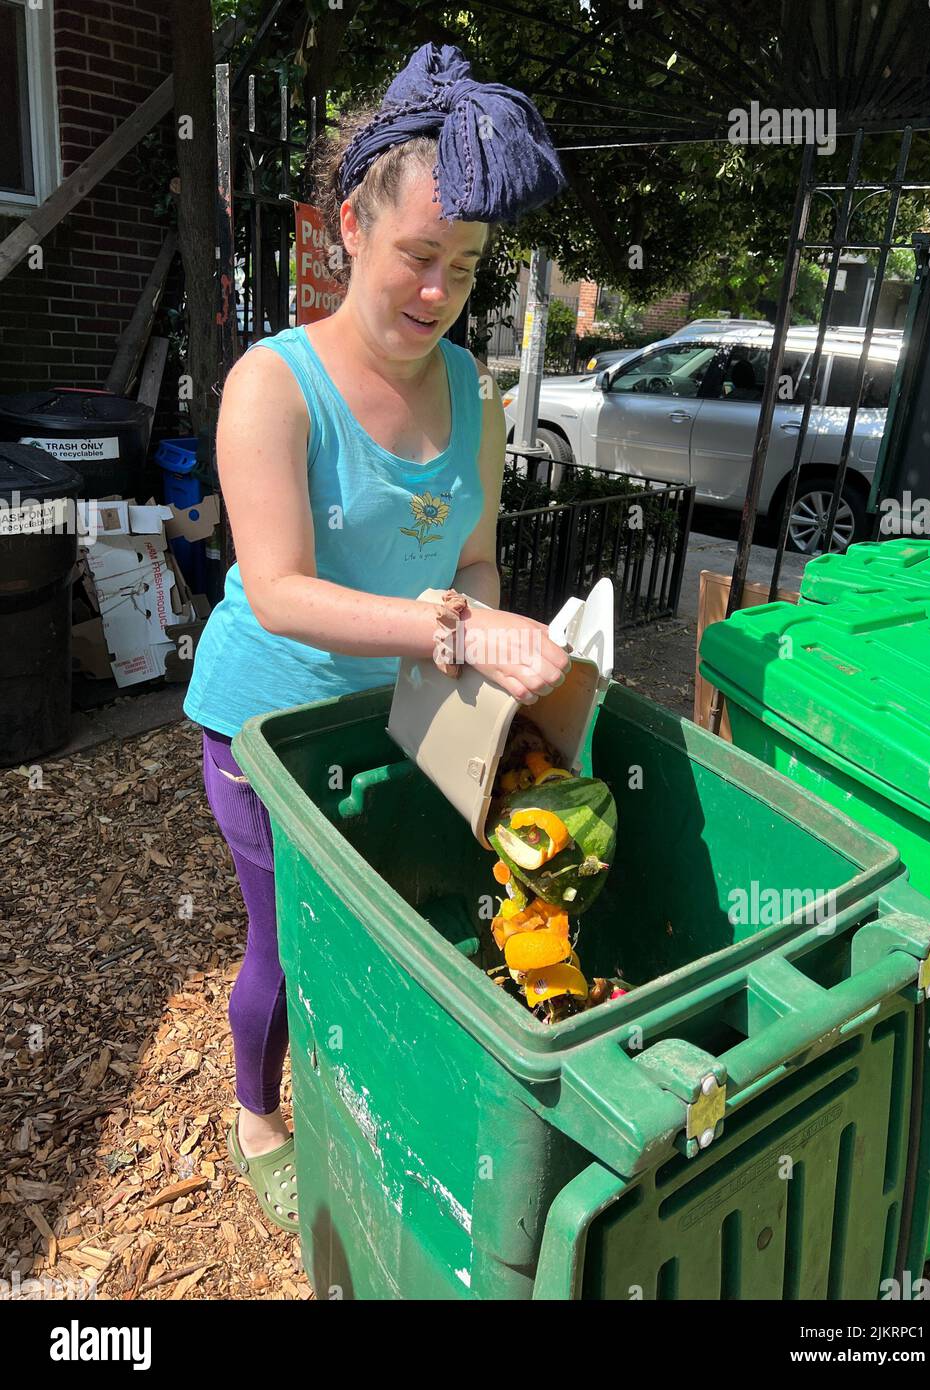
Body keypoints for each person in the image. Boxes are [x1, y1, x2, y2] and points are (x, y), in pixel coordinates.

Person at [181, 43, 570, 1233]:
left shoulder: (478, 392)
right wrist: (444, 628)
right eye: (416, 256)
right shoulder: (274, 384)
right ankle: (259, 1115)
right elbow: (281, 587)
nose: (436, 292)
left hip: (409, 702)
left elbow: (471, 558)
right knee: (293, 943)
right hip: (271, 724)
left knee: (415, 914)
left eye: (461, 268)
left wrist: (491, 623)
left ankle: (378, 1100)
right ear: (350, 224)